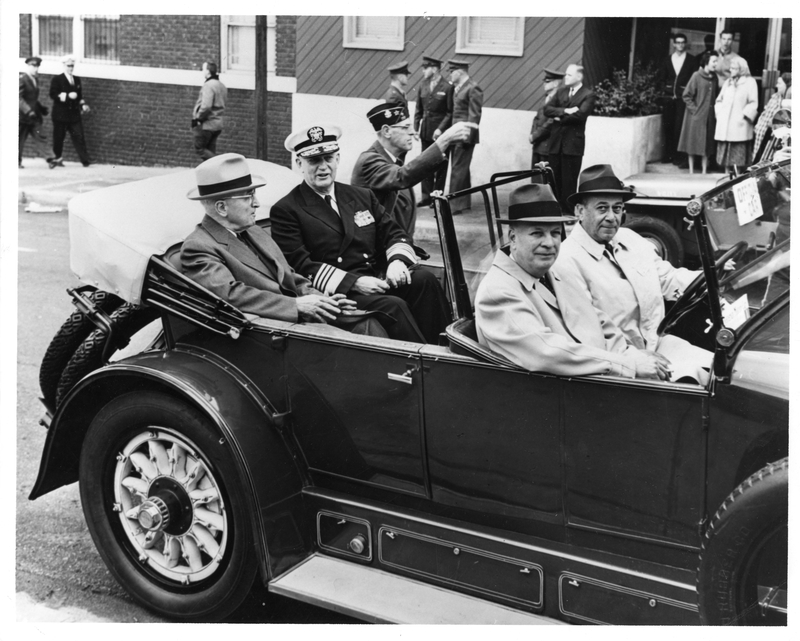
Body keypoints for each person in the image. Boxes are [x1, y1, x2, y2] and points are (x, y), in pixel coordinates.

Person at [270, 125, 451, 344]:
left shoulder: (361, 196)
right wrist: (355, 282)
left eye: (328, 158)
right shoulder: (287, 209)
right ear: (299, 164)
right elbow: (299, 264)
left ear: (337, 158)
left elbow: (395, 234)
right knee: (393, 305)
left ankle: (445, 348)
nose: (323, 167)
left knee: (425, 280)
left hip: (377, 278)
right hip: (339, 292)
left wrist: (396, 262)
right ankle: (424, 364)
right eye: (314, 161)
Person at [475, 183, 670, 380]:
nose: (549, 243)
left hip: (589, 381)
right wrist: (627, 365)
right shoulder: (498, 291)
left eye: (555, 233)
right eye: (537, 233)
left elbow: (599, 322)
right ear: (513, 237)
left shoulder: (554, 272)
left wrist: (631, 354)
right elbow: (546, 353)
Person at [180, 153, 385, 337]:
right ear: (222, 207)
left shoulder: (252, 230)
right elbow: (231, 295)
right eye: (248, 197)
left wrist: (321, 299)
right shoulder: (199, 247)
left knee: (369, 321)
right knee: (364, 337)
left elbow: (289, 275)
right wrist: (296, 305)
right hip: (270, 332)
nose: (257, 203)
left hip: (292, 319)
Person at [553, 165, 712, 384]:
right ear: (580, 211)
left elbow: (667, 277)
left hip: (659, 346)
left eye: (617, 208)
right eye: (602, 208)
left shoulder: (630, 239)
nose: (611, 217)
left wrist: (710, 279)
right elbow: (588, 334)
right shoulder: (567, 260)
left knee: (729, 369)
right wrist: (633, 358)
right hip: (623, 367)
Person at [351, 103, 474, 241]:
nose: (412, 132)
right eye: (405, 127)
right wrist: (444, 140)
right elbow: (402, 176)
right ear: (386, 131)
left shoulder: (392, 161)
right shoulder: (369, 161)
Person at [543, 63, 594, 213]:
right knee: (554, 179)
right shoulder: (561, 91)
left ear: (579, 77)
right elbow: (547, 109)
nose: (566, 77)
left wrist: (559, 117)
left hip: (572, 146)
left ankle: (569, 212)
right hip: (556, 144)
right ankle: (555, 210)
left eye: (569, 75)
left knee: (569, 181)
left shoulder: (588, 94)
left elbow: (580, 115)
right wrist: (566, 110)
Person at [413, 56, 453, 207]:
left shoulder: (447, 87)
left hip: (441, 134)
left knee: (441, 164)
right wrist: (416, 128)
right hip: (425, 131)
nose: (423, 71)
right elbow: (418, 109)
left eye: (426, 68)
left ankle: (437, 197)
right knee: (425, 163)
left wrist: (440, 129)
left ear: (435, 69)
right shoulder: (423, 85)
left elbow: (450, 112)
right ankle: (426, 197)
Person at [446, 58, 483, 214]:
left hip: (464, 135)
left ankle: (453, 205)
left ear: (459, 72)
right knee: (461, 169)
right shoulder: (459, 88)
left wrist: (467, 137)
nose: (450, 75)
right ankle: (463, 202)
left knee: (457, 169)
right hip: (457, 133)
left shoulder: (473, 88)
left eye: (451, 72)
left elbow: (475, 115)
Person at [657, 33, 698, 165]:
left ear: (685, 44)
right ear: (674, 44)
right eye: (678, 42)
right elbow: (661, 78)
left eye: (682, 42)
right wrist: (666, 90)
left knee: (680, 127)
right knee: (668, 126)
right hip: (669, 98)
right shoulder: (667, 60)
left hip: (683, 99)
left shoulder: (691, 60)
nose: (680, 45)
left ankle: (678, 157)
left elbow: (693, 79)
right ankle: (667, 155)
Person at [715, 56, 758, 174]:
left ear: (741, 69)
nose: (731, 70)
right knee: (725, 155)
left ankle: (737, 177)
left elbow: (753, 103)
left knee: (738, 155)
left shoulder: (750, 82)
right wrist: (720, 114)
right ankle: (725, 176)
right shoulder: (728, 82)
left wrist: (744, 117)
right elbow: (719, 100)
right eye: (731, 68)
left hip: (740, 126)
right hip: (725, 125)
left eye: (734, 68)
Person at [678, 52, 719, 174]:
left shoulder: (714, 78)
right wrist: (695, 110)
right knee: (692, 144)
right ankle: (691, 171)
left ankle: (704, 172)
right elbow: (686, 95)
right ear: (706, 62)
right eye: (714, 61)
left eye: (717, 61)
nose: (716, 64)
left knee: (707, 145)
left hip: (709, 117)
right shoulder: (696, 76)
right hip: (695, 117)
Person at [48, 55, 91, 168]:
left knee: (79, 136)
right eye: (68, 66)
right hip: (60, 115)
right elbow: (53, 95)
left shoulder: (76, 79)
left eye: (72, 66)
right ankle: (58, 159)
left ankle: (85, 161)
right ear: (63, 66)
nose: (71, 68)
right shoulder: (57, 79)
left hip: (74, 115)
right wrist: (67, 96)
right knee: (59, 138)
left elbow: (79, 96)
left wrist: (83, 105)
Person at [529, 68, 564, 171]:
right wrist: (532, 135)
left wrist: (535, 136)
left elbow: (551, 122)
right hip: (538, 145)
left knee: (546, 179)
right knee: (535, 177)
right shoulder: (546, 97)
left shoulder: (559, 100)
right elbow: (537, 118)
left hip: (548, 145)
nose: (544, 83)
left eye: (547, 81)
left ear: (556, 84)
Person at [191, 61, 227, 161]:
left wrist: (198, 118)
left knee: (200, 149)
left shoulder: (208, 85)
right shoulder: (221, 85)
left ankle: (219, 163)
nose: (202, 72)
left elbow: (206, 106)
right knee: (210, 150)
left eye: (203, 69)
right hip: (217, 124)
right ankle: (211, 175)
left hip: (207, 124)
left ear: (208, 71)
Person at [753, 73, 792, 162]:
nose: (776, 85)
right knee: (758, 159)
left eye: (779, 83)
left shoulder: (784, 101)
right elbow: (765, 114)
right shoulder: (775, 97)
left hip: (773, 135)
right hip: (764, 132)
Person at [19, 56, 48, 168]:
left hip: (33, 115)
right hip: (23, 115)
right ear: (28, 66)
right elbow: (19, 98)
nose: (35, 69)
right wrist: (28, 110)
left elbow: (33, 99)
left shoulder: (35, 79)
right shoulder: (22, 79)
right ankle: (16, 161)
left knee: (41, 136)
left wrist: (41, 108)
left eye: (37, 66)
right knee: (20, 139)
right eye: (33, 66)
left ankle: (50, 158)